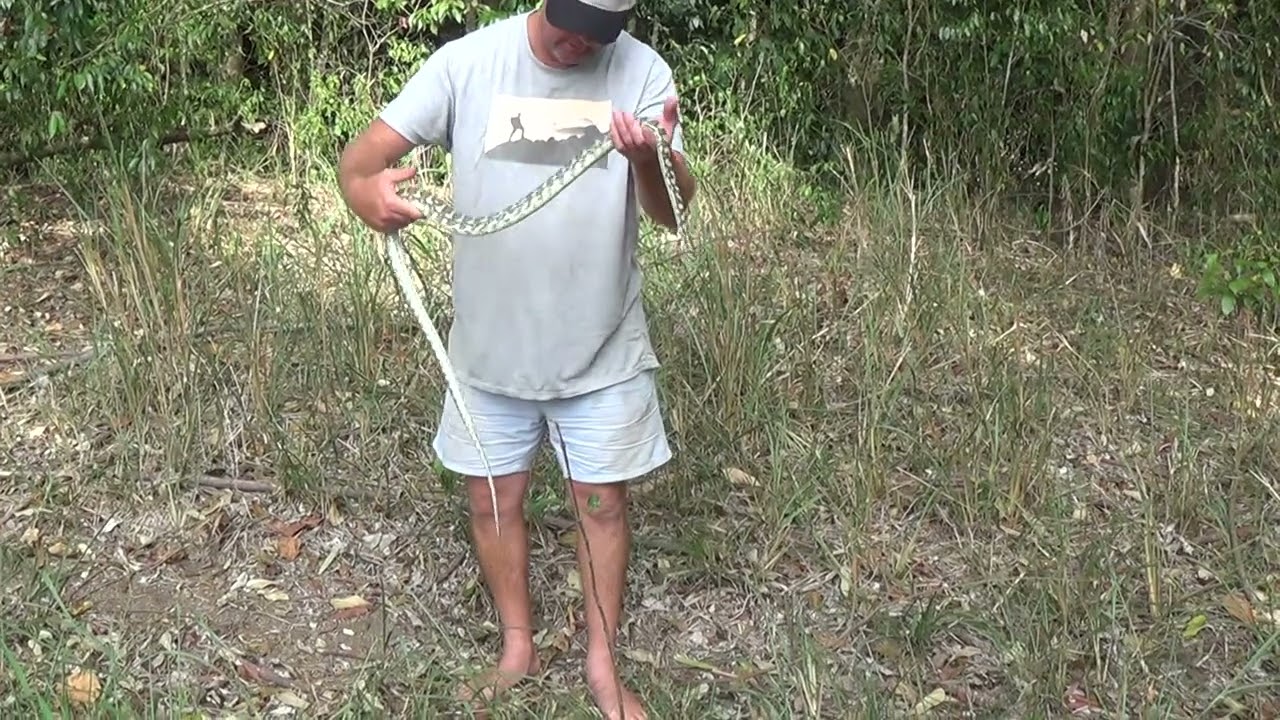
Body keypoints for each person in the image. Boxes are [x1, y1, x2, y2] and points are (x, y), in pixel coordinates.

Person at [336, 0, 697, 717]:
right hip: (488, 350)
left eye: (596, 38)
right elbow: (359, 160)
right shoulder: (468, 65)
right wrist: (365, 194)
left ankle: (602, 665)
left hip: (601, 349)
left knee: (601, 505)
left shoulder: (641, 72)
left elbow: (674, 210)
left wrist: (648, 159)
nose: (576, 48)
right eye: (568, 30)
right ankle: (517, 647)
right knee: (492, 498)